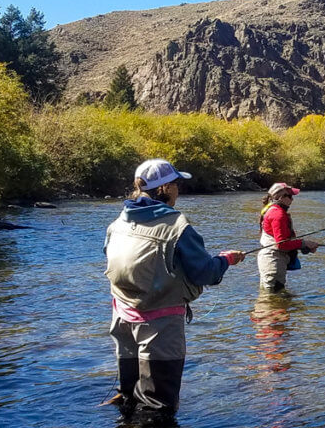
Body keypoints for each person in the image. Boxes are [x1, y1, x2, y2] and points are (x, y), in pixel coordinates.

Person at [103, 159, 245, 422]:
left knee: (129, 397)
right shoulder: (177, 226)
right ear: (165, 188)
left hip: (122, 319)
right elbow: (205, 273)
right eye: (177, 184)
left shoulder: (119, 221)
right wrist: (226, 259)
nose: (179, 190)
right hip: (160, 325)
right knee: (159, 407)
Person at [258, 182, 319, 292]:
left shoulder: (271, 210)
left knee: (270, 299)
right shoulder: (278, 214)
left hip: (271, 259)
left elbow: (281, 241)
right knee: (274, 299)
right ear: (281, 197)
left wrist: (303, 246)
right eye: (290, 196)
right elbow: (282, 244)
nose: (292, 200)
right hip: (274, 261)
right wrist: (303, 243)